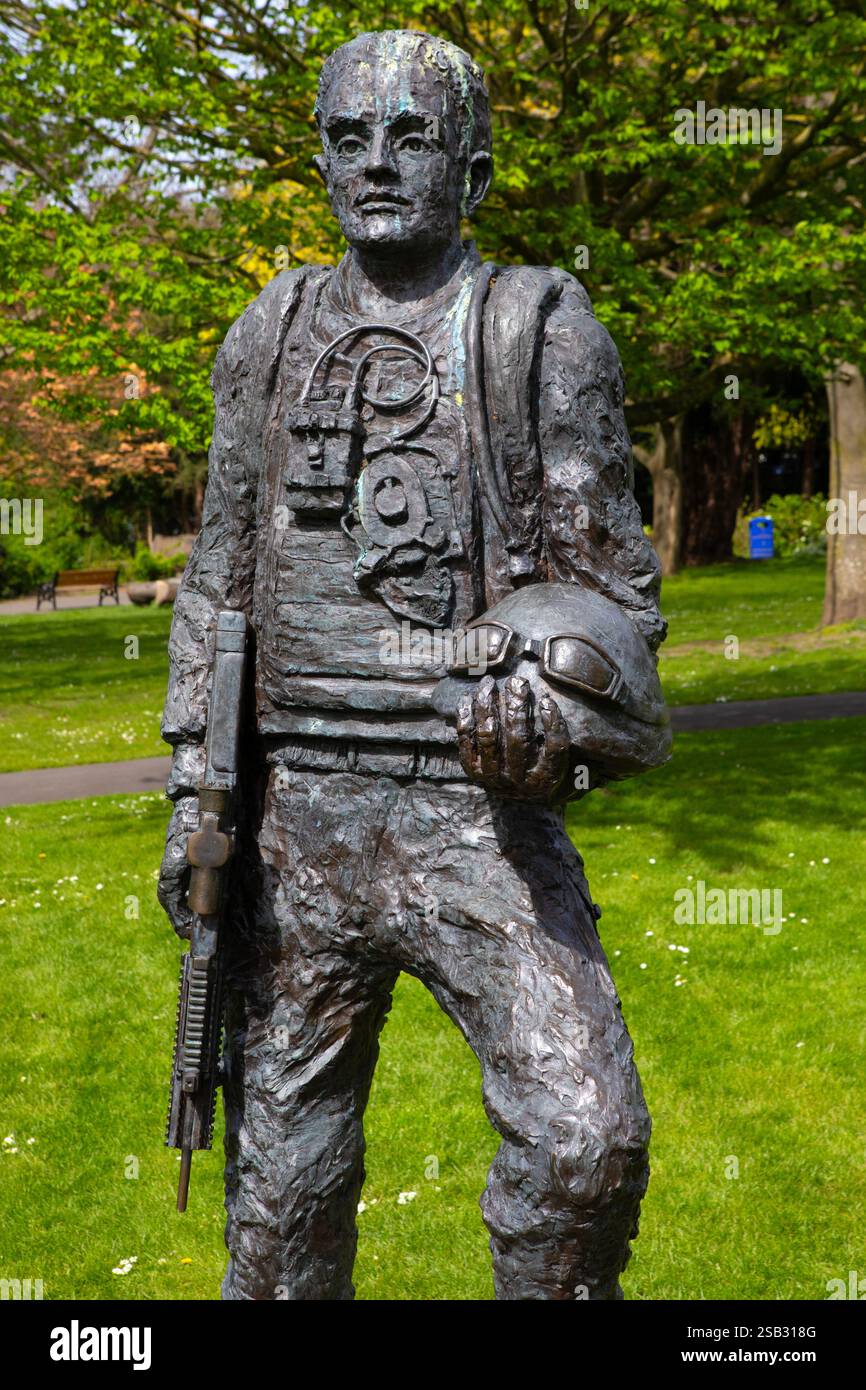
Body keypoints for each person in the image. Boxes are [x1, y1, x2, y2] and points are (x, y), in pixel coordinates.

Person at [158, 28, 667, 1301]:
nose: (374, 164)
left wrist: (544, 716)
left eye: (411, 137)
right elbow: (216, 578)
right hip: (294, 824)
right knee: (280, 1195)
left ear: (475, 175)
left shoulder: (538, 332)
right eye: (345, 138)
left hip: (474, 816)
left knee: (584, 1142)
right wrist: (193, 800)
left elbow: (611, 595)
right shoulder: (264, 338)